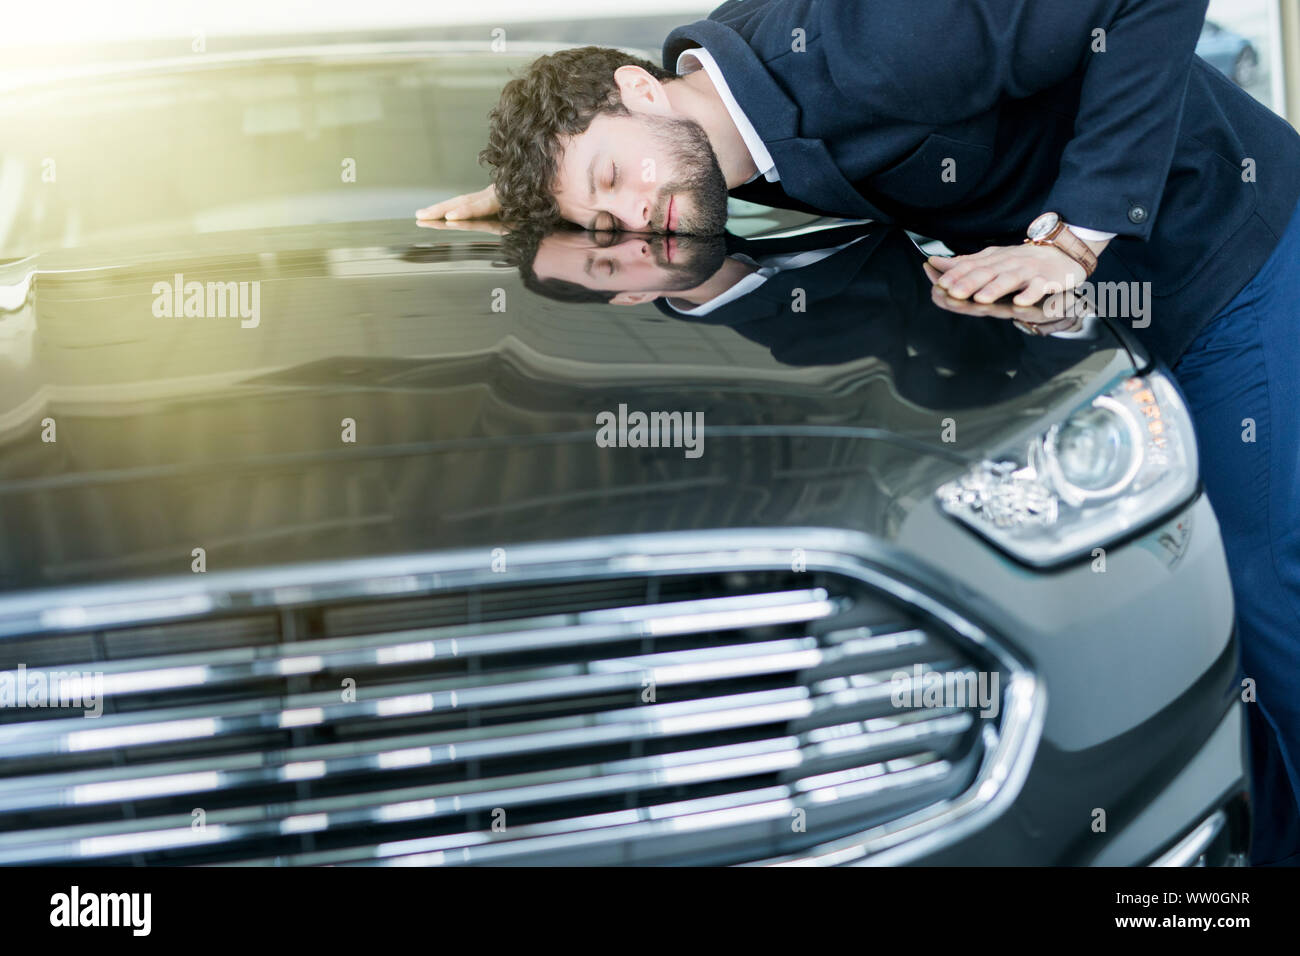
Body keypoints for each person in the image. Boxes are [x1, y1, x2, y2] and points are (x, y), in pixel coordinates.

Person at [418, 0, 1300, 865]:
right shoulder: (701, 133)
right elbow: (639, 166)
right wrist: (543, 191)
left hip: (1227, 242)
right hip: (1105, 314)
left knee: (1263, 597)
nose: (639, 220)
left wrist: (1074, 237)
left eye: (615, 180)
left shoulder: (879, 34)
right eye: (604, 223)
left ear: (641, 90)